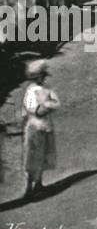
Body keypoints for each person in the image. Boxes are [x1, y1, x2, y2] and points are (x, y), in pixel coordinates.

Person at [20, 59, 60, 198]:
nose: (44, 77)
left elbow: (55, 103)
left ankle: (38, 184)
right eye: (42, 75)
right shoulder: (31, 91)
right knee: (32, 157)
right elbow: (32, 109)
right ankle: (29, 187)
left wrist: (49, 106)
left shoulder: (45, 88)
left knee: (42, 155)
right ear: (36, 76)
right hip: (35, 127)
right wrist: (45, 108)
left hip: (44, 125)